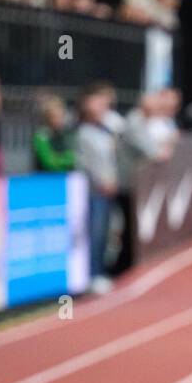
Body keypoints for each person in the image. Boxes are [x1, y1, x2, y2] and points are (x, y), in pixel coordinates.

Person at [75, 84, 118, 295]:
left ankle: (99, 271)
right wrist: (101, 181)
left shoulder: (107, 130)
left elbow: (112, 156)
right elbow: (87, 163)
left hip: (106, 190)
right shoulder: (83, 132)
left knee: (104, 234)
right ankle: (92, 275)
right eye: (98, 103)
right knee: (94, 233)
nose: (103, 108)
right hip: (93, 191)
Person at [123, 89, 179, 163]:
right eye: (158, 106)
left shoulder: (147, 120)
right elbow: (154, 153)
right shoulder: (135, 121)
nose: (159, 109)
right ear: (147, 107)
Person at [32, 94, 76, 172]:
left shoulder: (66, 134)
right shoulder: (41, 136)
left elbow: (74, 156)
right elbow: (49, 162)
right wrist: (67, 160)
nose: (58, 120)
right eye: (54, 117)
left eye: (61, 116)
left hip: (65, 178)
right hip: (47, 179)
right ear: (47, 117)